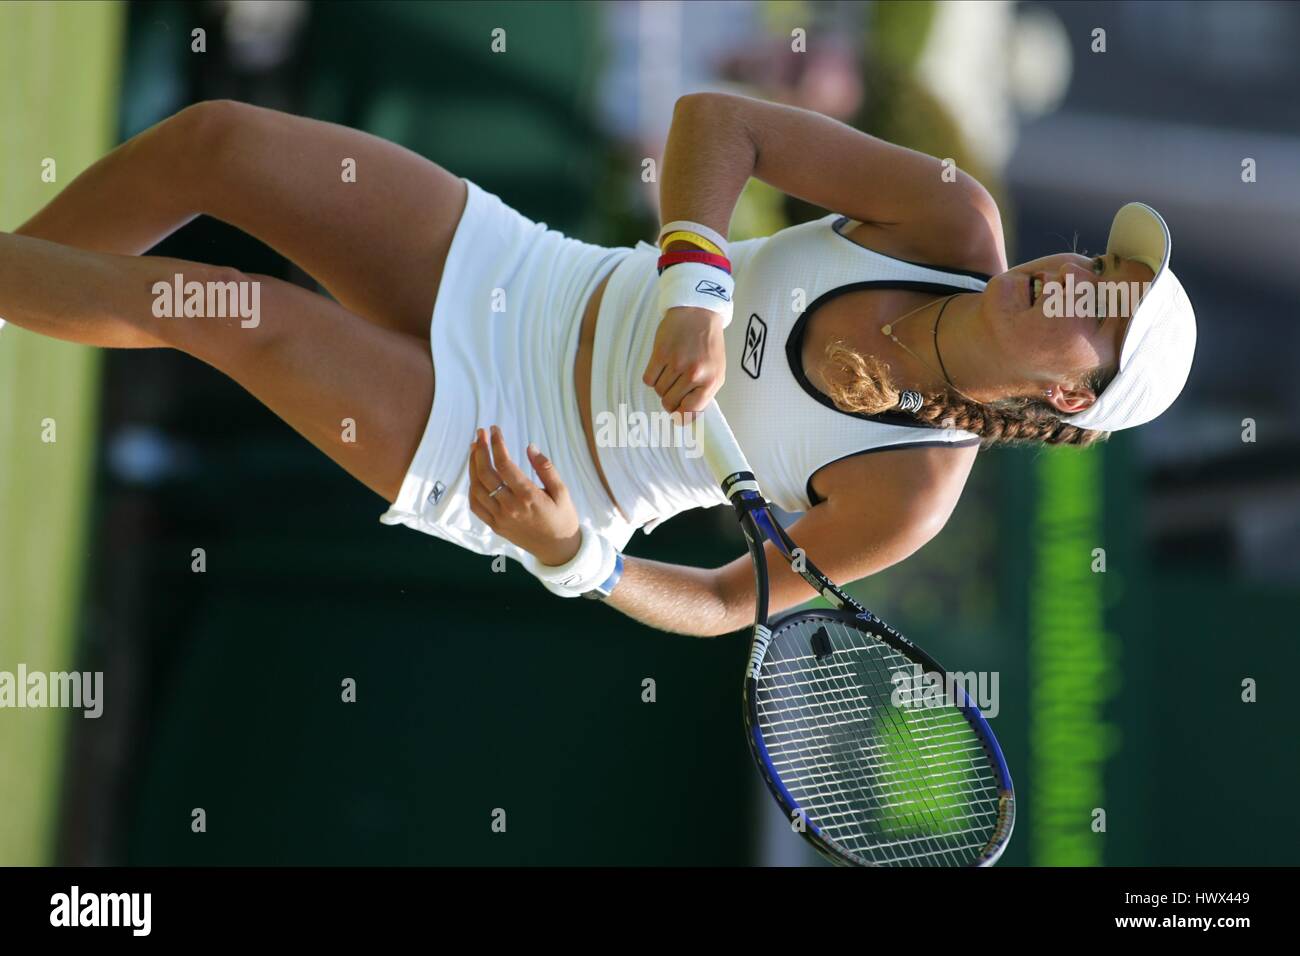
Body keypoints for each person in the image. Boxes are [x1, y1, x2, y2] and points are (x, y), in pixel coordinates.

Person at [0, 92, 1195, 634]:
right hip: (530, 273)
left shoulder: (912, 489)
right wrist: (697, 284)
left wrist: (576, 555)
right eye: (1102, 263)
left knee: (218, 306)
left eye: (1104, 313)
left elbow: (733, 602)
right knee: (223, 144)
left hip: (507, 446)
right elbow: (718, 123)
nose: (1074, 276)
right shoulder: (954, 221)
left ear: (1070, 394)